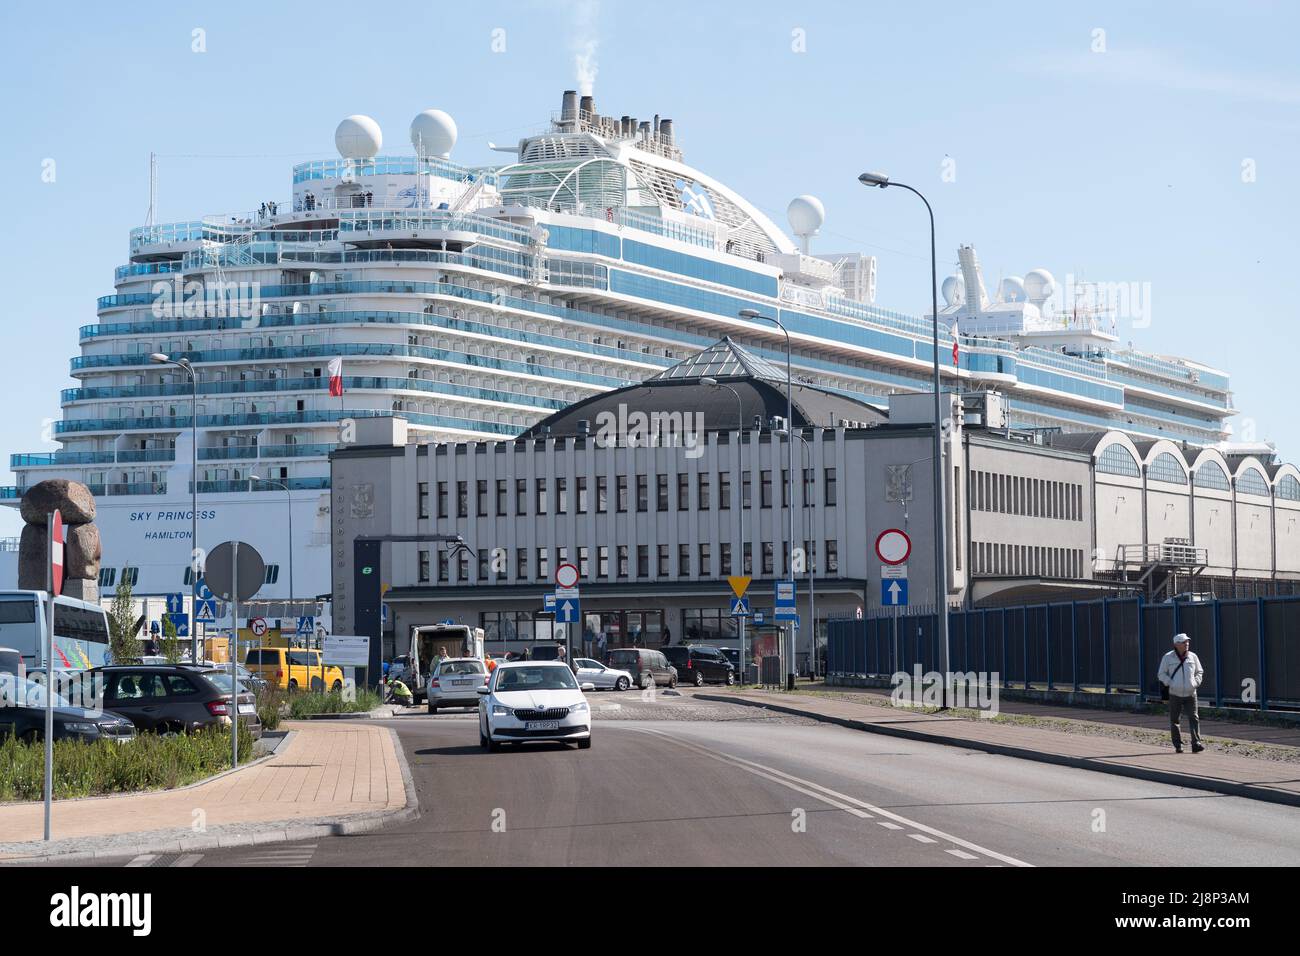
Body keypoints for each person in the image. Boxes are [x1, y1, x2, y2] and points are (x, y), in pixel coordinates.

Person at [1158, 633, 1204, 753]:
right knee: (1175, 720)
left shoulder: (1193, 656)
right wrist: (1170, 683)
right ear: (1176, 644)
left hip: (1191, 693)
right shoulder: (1168, 657)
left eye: (1187, 642)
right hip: (1175, 693)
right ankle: (1178, 745)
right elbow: (1161, 674)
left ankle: (1196, 743)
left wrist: (1195, 683)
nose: (1187, 644)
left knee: (1194, 717)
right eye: (1184, 642)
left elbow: (1200, 671)